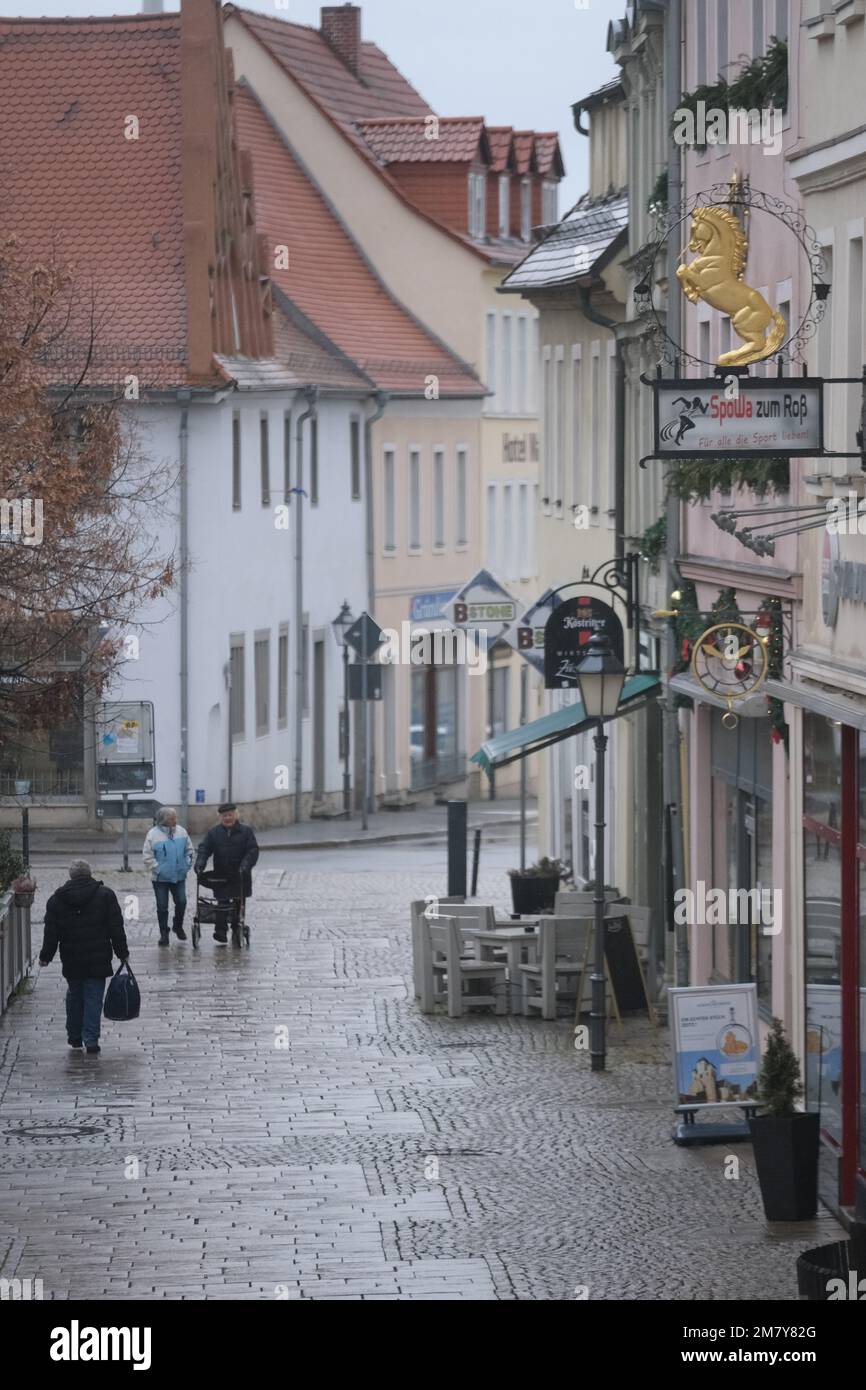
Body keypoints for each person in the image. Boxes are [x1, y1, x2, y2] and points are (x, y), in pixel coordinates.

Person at [39, 860, 130, 1056]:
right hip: (98, 957)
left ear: (71, 876)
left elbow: (51, 933)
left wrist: (45, 956)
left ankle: (74, 1036)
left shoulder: (57, 900)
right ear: (90, 874)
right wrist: (122, 953)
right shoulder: (105, 895)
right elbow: (116, 928)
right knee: (93, 999)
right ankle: (91, 1040)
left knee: (75, 994)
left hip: (72, 957)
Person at [194, 803, 259, 944]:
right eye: (224, 816)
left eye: (230, 815)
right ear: (220, 817)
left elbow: (252, 851)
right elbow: (204, 849)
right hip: (221, 875)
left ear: (235, 815)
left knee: (238, 903)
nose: (227, 818)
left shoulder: (246, 832)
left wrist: (245, 866)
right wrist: (200, 864)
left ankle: (236, 928)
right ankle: (220, 930)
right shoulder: (214, 833)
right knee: (222, 902)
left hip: (240, 875)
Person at [142, 806, 194, 946]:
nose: (175, 820)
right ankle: (164, 933)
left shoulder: (182, 832)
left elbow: (189, 851)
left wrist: (187, 865)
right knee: (162, 906)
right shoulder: (153, 835)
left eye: (175, 817)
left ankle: (178, 926)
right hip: (160, 879)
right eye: (172, 818)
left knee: (182, 902)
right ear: (163, 820)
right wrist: (158, 869)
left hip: (179, 876)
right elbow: (147, 856)